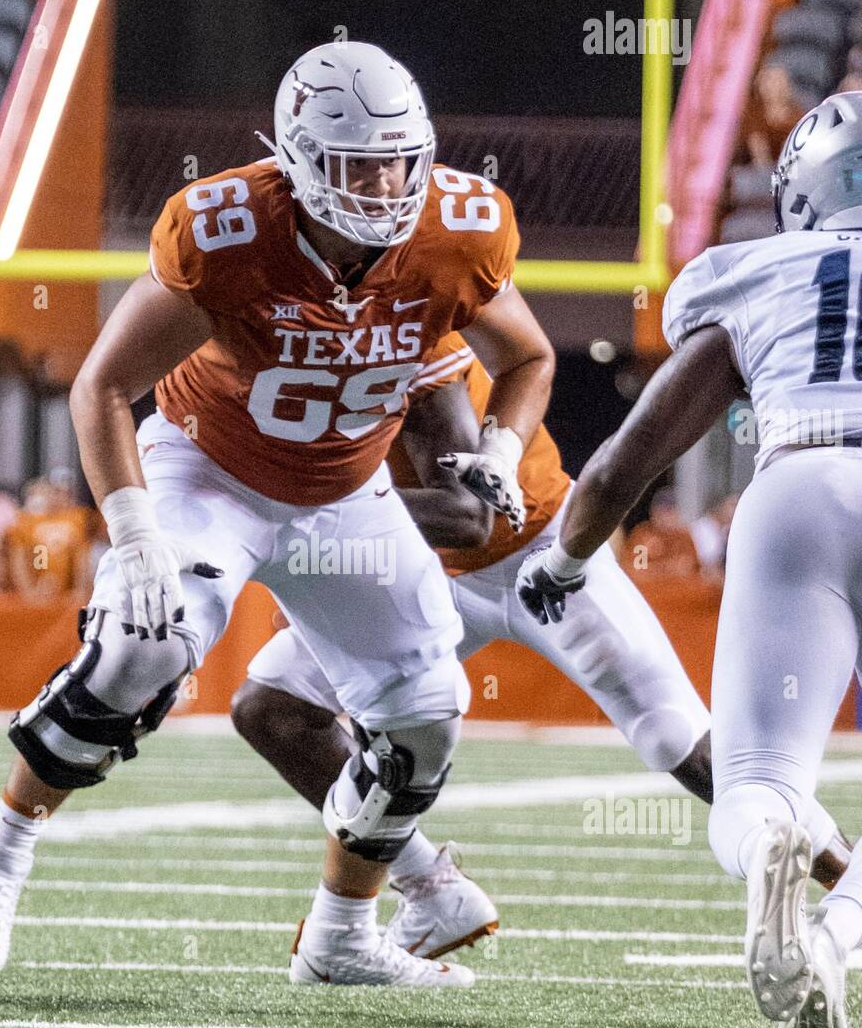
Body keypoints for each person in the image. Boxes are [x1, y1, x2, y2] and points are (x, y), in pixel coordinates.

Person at [0, 41, 554, 988]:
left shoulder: (458, 232)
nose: (384, 184)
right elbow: (101, 386)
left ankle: (341, 936)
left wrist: (503, 450)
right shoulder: (228, 230)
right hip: (210, 473)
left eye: (399, 160)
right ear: (298, 159)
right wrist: (135, 531)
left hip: (346, 493)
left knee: (426, 718)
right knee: (140, 650)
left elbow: (530, 357)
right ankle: (0, 853)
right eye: (356, 164)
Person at [234, 337, 852, 976]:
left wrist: (310, 519)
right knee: (272, 706)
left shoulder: (405, 324)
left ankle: (846, 875)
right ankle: (433, 888)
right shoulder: (288, 343)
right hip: (427, 570)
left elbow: (466, 514)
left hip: (543, 554)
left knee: (681, 739)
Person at [515, 91, 862, 1028]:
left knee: (756, 778)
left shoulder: (755, 271)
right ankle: (835, 941)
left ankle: (769, 845)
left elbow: (627, 457)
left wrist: (564, 561)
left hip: (797, 490)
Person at [620, 486, 700, 578]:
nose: (667, 517)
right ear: (653, 512)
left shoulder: (684, 535)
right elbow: (635, 570)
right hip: (649, 586)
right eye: (663, 512)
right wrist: (666, 568)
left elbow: (694, 568)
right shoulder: (643, 534)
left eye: (671, 512)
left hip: (679, 586)